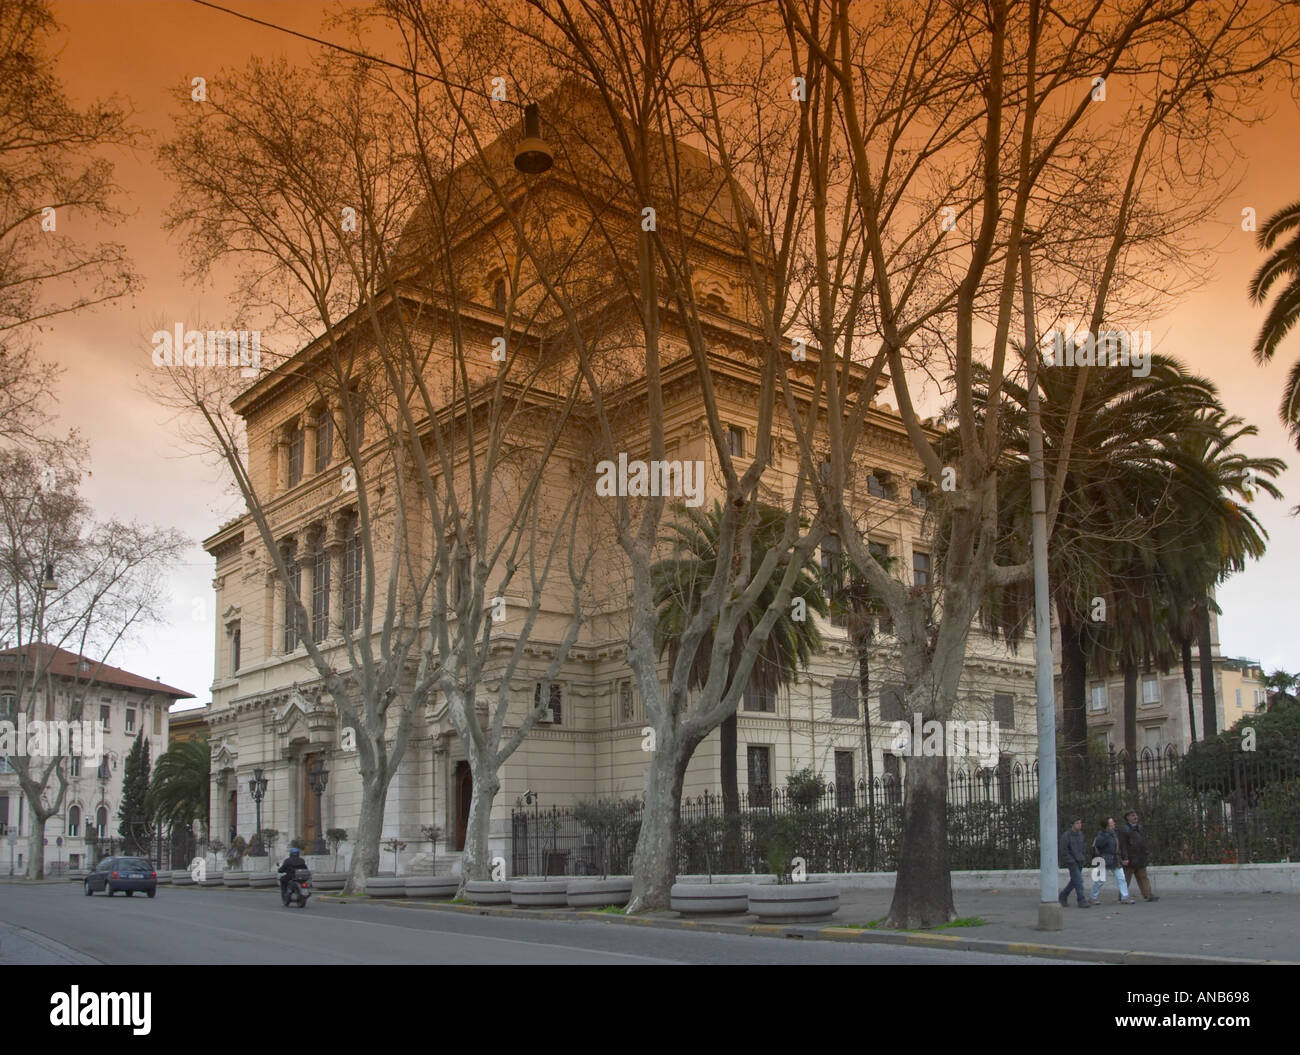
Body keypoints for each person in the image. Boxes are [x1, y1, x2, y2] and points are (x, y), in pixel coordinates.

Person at [1089, 816, 1134, 905]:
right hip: (1104, 859)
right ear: (1107, 825)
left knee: (1121, 878)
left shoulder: (1114, 834)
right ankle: (1092, 897)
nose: (1114, 823)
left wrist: (1121, 859)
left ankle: (1125, 897)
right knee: (1100, 880)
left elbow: (1117, 848)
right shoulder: (1102, 835)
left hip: (1115, 859)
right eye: (1112, 822)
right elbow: (1099, 845)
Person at [1120, 808, 1159, 901]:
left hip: (1141, 857)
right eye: (1133, 815)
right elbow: (1122, 845)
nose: (1135, 817)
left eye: (1136, 815)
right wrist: (1125, 858)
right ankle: (1122, 895)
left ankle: (1148, 894)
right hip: (1130, 858)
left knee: (1143, 877)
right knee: (1126, 878)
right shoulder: (1124, 829)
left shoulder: (1140, 827)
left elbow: (1143, 841)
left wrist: (1146, 852)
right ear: (1127, 817)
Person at [1058, 815, 1091, 908]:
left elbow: (1083, 848)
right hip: (1072, 862)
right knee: (1079, 880)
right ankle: (1081, 900)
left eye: (1080, 823)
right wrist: (1070, 860)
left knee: (1075, 881)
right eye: (1077, 823)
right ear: (1072, 825)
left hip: (1079, 861)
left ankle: (1063, 895)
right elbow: (1064, 850)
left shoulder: (1080, 834)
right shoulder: (1066, 836)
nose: (1079, 825)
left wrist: (1083, 858)